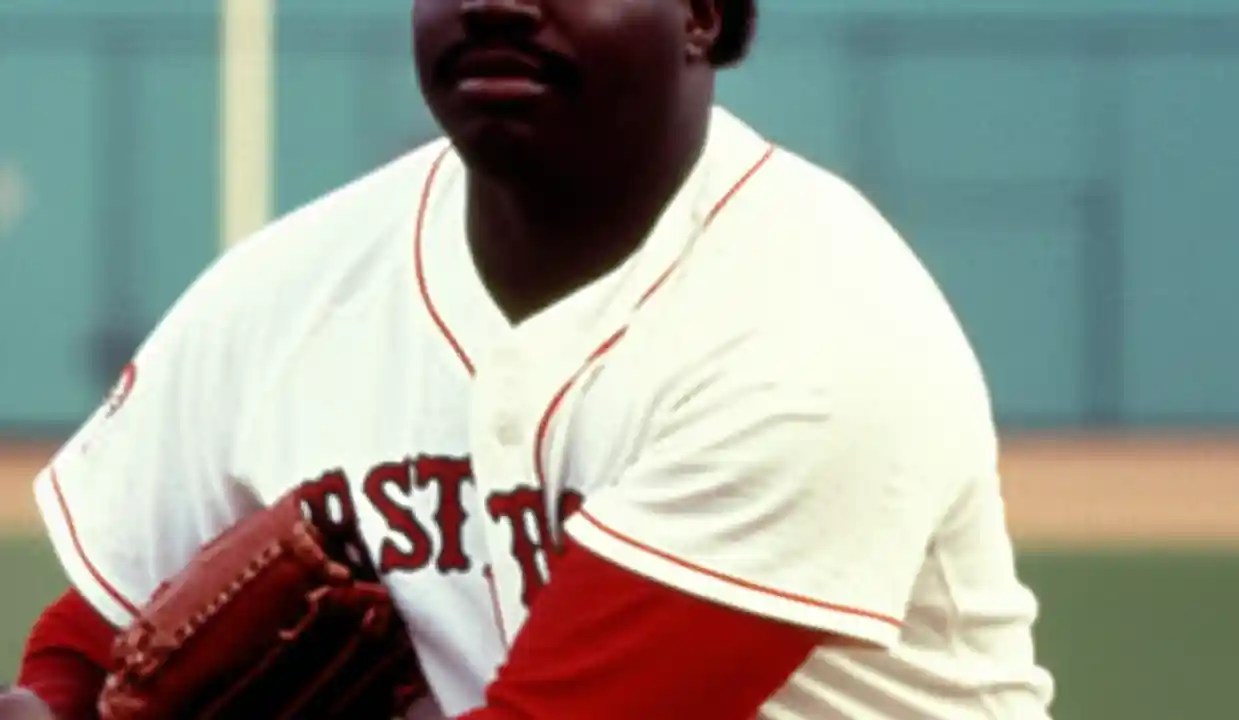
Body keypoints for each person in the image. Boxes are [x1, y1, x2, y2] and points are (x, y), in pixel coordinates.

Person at [10, 0, 1055, 717]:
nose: (496, 0)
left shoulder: (812, 321)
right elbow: (93, 642)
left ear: (698, 12)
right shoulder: (284, 293)